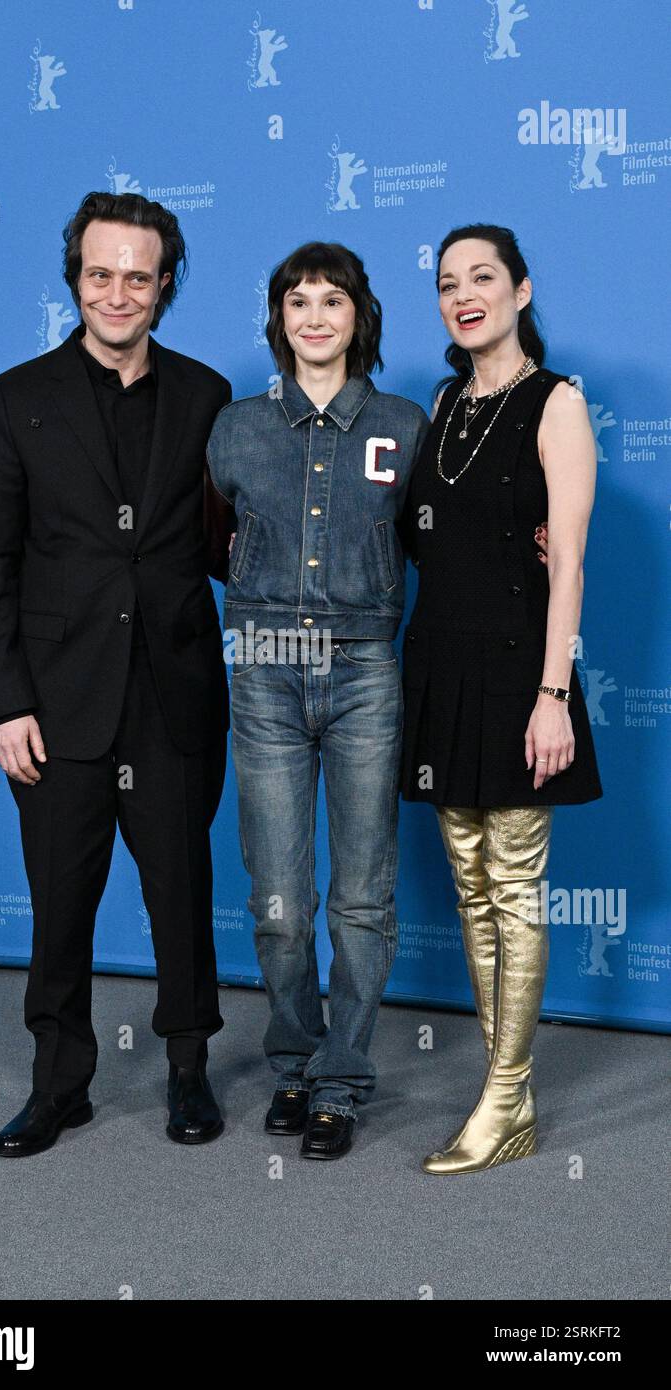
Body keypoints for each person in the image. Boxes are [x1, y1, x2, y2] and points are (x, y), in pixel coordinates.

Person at [0, 192, 235, 1155]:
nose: (117, 292)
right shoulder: (17, 397)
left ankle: (188, 1073)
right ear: (74, 277)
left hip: (175, 694)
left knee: (182, 892)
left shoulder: (209, 398)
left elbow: (234, 543)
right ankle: (58, 1086)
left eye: (138, 275)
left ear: (166, 285)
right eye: (99, 273)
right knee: (61, 900)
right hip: (56, 700)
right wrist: (5, 702)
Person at [206, 242, 429, 1159]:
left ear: (358, 316)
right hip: (262, 666)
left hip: (366, 670)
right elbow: (207, 541)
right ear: (278, 318)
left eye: (332, 299)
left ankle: (342, 1080)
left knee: (363, 897)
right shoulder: (233, 427)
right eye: (297, 300)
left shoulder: (405, 424)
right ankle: (294, 1060)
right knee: (279, 899)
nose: (314, 315)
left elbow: (440, 546)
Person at [398, 223, 602, 1175]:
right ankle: (497, 1085)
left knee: (514, 888)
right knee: (472, 884)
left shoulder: (556, 404)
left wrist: (553, 693)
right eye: (448, 282)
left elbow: (567, 567)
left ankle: (506, 1100)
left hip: (524, 673)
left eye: (484, 277)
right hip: (440, 667)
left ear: (523, 290)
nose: (464, 293)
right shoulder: (444, 402)